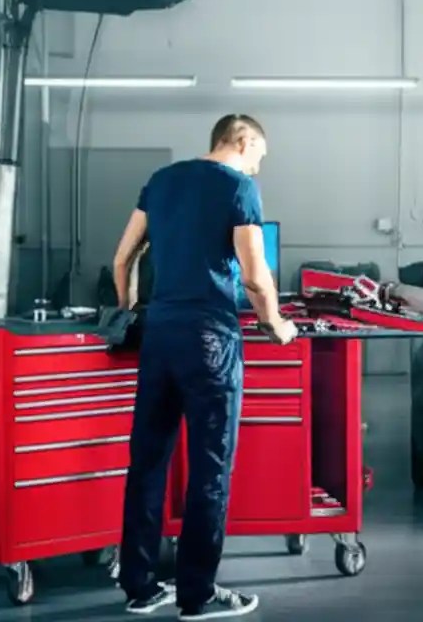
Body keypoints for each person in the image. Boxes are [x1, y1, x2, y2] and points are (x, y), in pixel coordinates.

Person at [110, 113, 298, 618]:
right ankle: (196, 595)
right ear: (243, 140)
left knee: (147, 462)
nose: (258, 167)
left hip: (159, 334)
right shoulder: (239, 189)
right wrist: (277, 323)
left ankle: (140, 587)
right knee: (210, 471)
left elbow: (123, 257)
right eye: (259, 155)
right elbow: (256, 278)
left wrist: (128, 307)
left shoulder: (161, 181)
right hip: (210, 338)